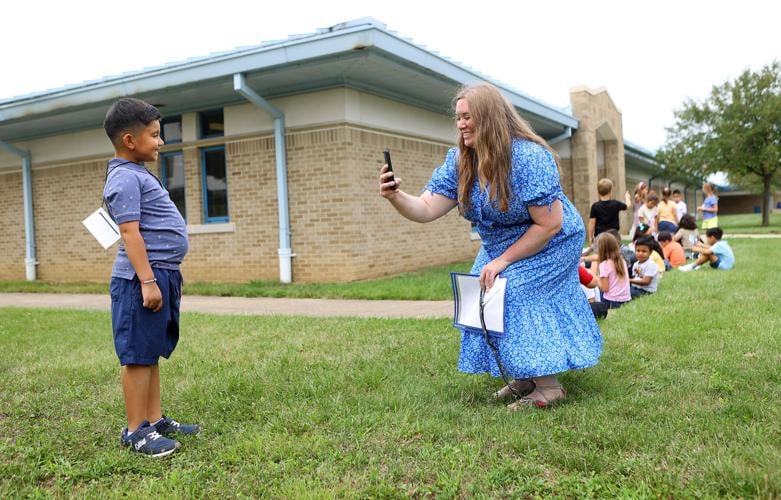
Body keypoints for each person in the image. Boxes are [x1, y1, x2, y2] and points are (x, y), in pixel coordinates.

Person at [378, 82, 601, 410]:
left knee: (515, 293)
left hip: (552, 238)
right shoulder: (460, 162)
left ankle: (550, 387)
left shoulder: (527, 157)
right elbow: (425, 209)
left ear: (490, 118)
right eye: (457, 118)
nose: (461, 124)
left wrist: (501, 263)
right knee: (480, 299)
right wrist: (396, 195)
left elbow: (549, 224)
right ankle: (526, 375)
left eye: (468, 117)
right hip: (501, 239)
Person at [103, 97, 199, 457]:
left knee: (151, 351)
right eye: (154, 135)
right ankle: (135, 431)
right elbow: (130, 234)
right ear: (130, 141)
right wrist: (146, 280)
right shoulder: (125, 176)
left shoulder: (138, 174)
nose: (160, 142)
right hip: (140, 279)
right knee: (137, 355)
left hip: (161, 273)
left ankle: (154, 420)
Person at [588, 178, 631, 246]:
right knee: (614, 254)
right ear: (611, 191)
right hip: (614, 236)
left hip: (600, 237)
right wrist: (627, 197)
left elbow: (592, 223)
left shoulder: (595, 206)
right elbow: (627, 205)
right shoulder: (616, 204)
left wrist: (590, 238)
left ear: (598, 192)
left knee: (601, 255)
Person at [596, 232, 631, 309]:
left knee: (597, 293)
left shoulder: (604, 264)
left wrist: (596, 278)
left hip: (612, 301)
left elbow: (605, 288)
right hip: (626, 299)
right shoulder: (622, 261)